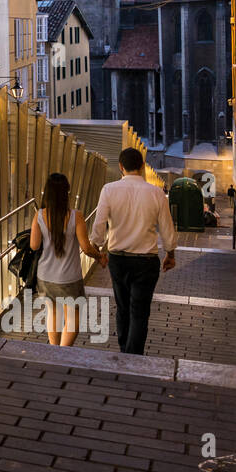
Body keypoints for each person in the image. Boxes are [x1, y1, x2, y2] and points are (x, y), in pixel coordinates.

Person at [90, 147, 177, 355]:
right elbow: (167, 227)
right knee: (140, 311)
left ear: (121, 167)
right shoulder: (156, 193)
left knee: (122, 307)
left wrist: (97, 249)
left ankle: (124, 350)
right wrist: (170, 253)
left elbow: (99, 226)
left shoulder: (109, 190)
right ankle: (133, 355)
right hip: (146, 261)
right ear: (141, 167)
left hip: (118, 259)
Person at [29, 172, 103, 347]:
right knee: (73, 317)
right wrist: (99, 256)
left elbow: (33, 245)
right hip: (69, 277)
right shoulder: (76, 216)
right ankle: (64, 351)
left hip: (45, 276)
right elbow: (85, 247)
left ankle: (55, 351)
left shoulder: (39, 215)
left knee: (53, 313)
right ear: (66, 193)